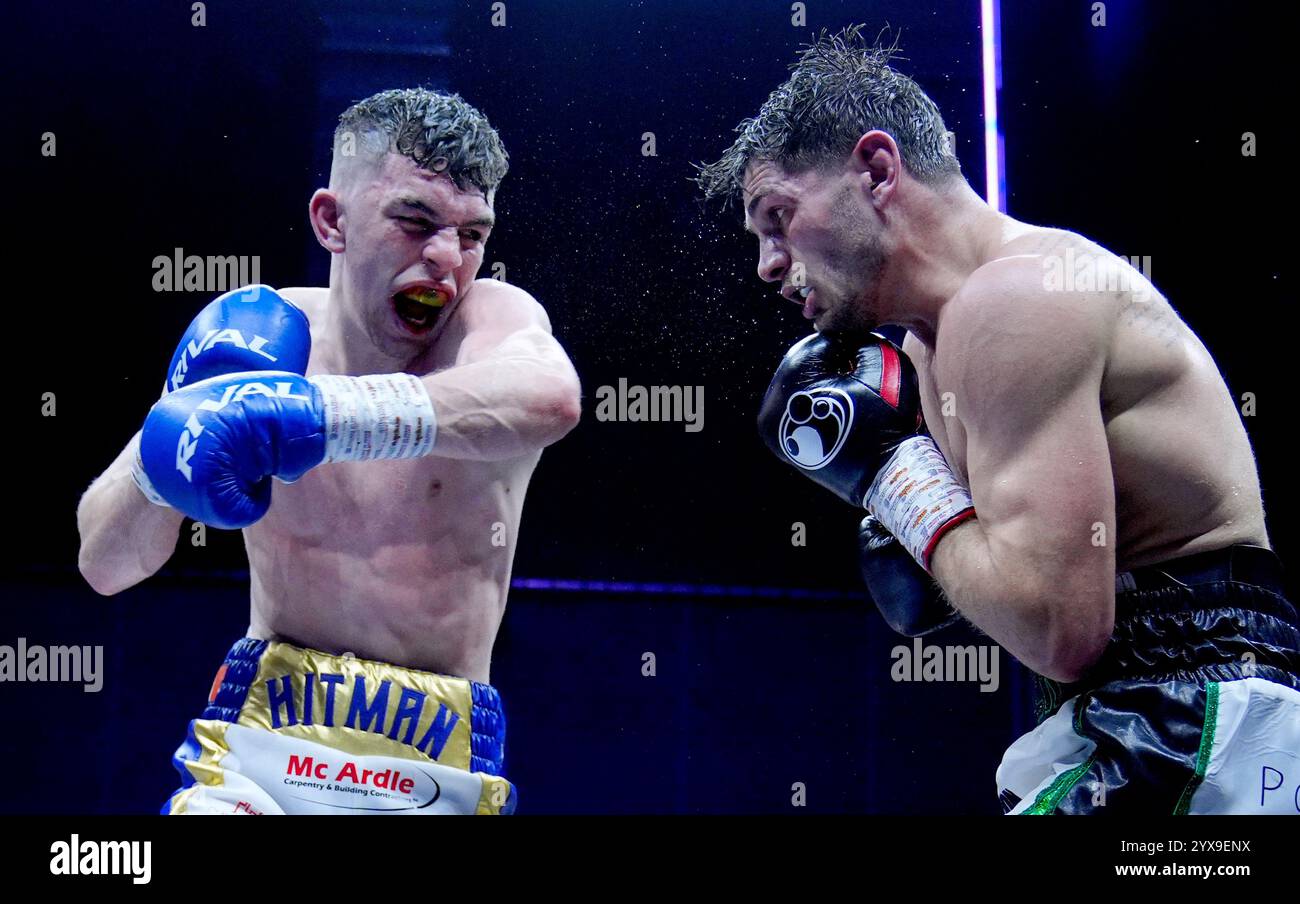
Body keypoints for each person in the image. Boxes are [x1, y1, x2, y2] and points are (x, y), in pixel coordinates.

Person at [697, 26, 1300, 813]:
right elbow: (998, 602)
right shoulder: (924, 352)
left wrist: (892, 477)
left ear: (877, 170)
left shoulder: (1018, 296)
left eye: (778, 219)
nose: (768, 265)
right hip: (1131, 714)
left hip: (1197, 708)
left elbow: (1058, 627)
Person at [76, 88, 582, 815]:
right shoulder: (256, 341)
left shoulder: (489, 325)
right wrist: (164, 471)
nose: (446, 258)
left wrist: (321, 413)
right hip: (262, 733)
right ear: (331, 220)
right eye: (416, 221)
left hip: (432, 755)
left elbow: (550, 395)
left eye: (473, 235)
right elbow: (105, 563)